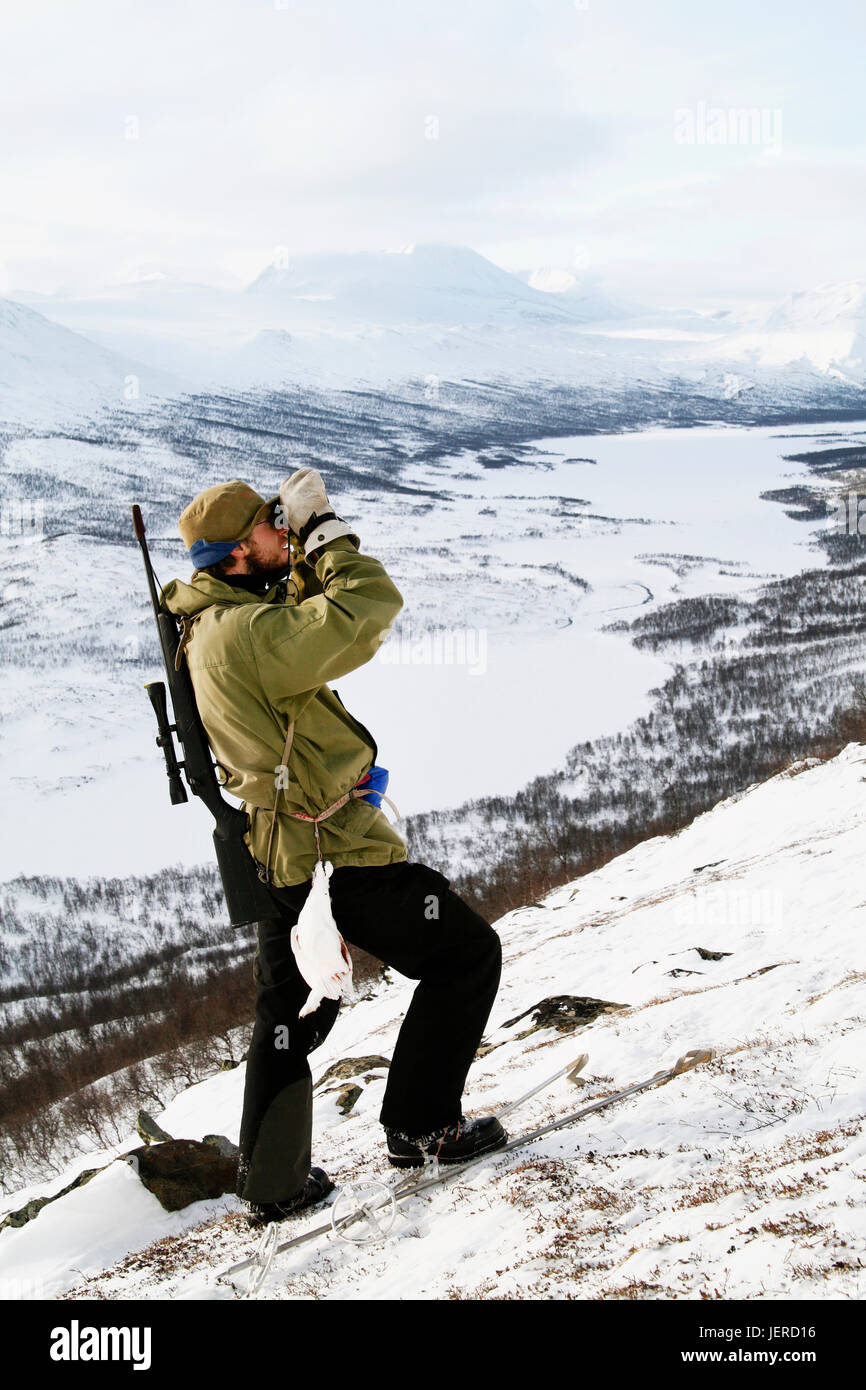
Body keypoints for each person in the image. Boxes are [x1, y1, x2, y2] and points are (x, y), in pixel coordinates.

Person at [160, 470, 505, 1227]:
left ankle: (273, 1182)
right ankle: (421, 1126)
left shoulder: (214, 623)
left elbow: (292, 609)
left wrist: (293, 559)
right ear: (233, 554)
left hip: (282, 856)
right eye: (266, 530)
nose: (280, 535)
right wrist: (326, 535)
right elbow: (363, 611)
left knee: (288, 1015)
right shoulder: (247, 637)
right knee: (466, 955)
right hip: (336, 858)